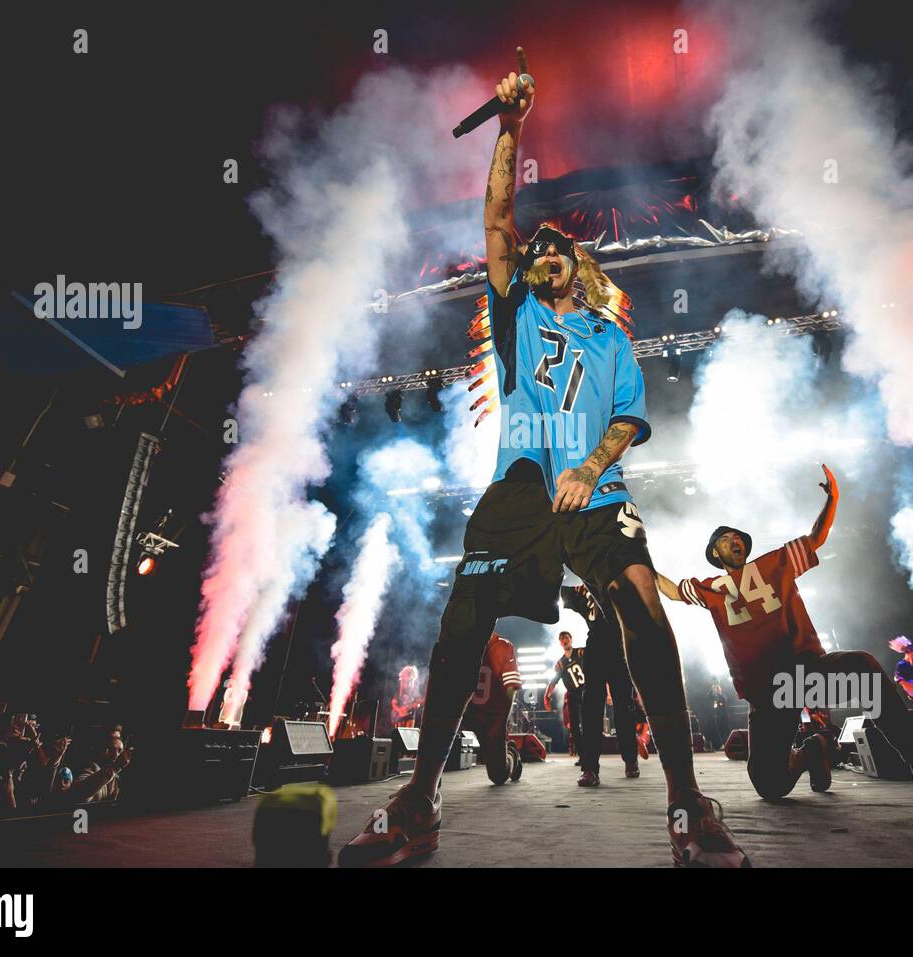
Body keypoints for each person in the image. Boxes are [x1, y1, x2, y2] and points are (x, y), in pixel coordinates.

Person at [339, 57, 749, 868]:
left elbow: (630, 419)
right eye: (541, 245)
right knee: (461, 629)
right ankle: (419, 802)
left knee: (643, 607)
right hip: (518, 493)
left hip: (597, 495)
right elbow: (497, 219)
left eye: (561, 244)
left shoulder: (611, 337)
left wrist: (588, 465)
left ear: (580, 267)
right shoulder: (517, 312)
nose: (547, 247)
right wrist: (510, 127)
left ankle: (684, 800)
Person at [655, 464, 913, 818]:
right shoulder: (710, 588)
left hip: (802, 675)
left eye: (738, 537)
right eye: (727, 538)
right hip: (766, 696)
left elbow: (816, 537)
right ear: (715, 552)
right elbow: (670, 590)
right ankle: (813, 749)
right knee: (770, 787)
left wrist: (832, 499)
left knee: (862, 665)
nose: (735, 540)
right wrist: (635, 561)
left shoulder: (774, 563)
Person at [561, 584, 642, 786]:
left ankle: (630, 758)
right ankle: (590, 768)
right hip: (595, 647)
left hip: (618, 645)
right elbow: (559, 589)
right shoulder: (585, 589)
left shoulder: (619, 580)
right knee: (591, 709)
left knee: (623, 706)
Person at [462, 631, 524, 784]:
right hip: (469, 713)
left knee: (498, 776)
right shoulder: (464, 644)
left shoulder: (503, 645)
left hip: (492, 716)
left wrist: (502, 720)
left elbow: (511, 686)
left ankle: (511, 753)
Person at [543, 631, 587, 759]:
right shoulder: (560, 663)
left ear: (571, 640)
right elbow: (553, 681)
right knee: (574, 728)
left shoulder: (580, 652)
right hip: (573, 696)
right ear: (560, 643)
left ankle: (589, 755)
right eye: (562, 638)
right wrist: (547, 696)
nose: (564, 640)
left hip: (586, 692)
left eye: (566, 637)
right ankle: (582, 757)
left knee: (587, 725)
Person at [70, 729, 133, 804]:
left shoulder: (116, 777)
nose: (116, 755)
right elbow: (77, 793)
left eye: (119, 751)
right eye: (111, 750)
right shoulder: (91, 767)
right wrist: (116, 766)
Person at [708, 679, 730, 751]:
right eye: (715, 688)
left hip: (723, 716)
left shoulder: (722, 696)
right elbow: (709, 696)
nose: (716, 690)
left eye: (717, 688)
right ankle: (720, 744)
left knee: (724, 730)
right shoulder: (714, 696)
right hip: (717, 716)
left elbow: (724, 701)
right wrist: (712, 689)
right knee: (718, 731)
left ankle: (725, 744)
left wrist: (718, 695)